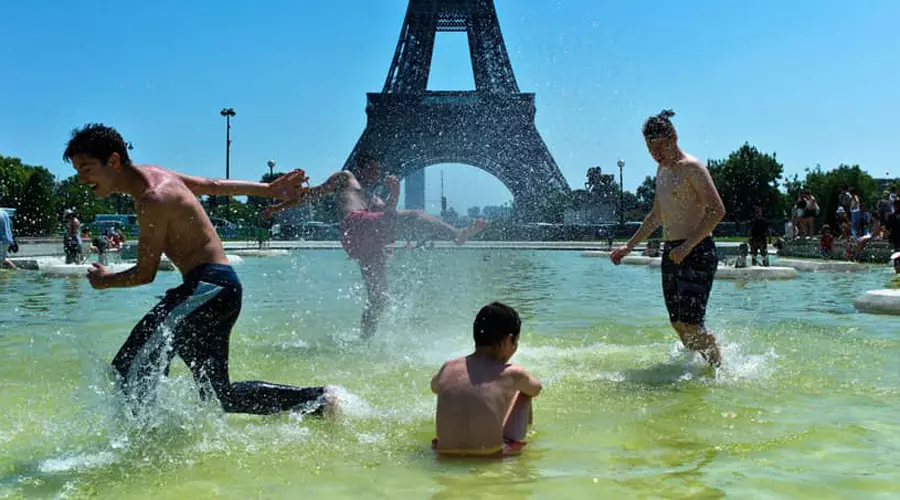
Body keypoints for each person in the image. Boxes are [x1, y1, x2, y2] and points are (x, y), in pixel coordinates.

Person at [63, 123, 337, 417]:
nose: (82, 179)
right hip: (221, 289)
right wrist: (268, 189)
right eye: (78, 170)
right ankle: (323, 402)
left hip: (207, 288)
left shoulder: (152, 199)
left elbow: (145, 273)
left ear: (114, 160)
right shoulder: (159, 175)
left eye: (87, 168)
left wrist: (105, 281)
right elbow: (213, 185)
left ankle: (140, 445)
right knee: (220, 396)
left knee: (129, 364)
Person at [264, 153, 487, 338]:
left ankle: (364, 341)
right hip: (355, 225)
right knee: (415, 215)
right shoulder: (346, 178)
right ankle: (456, 234)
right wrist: (278, 208)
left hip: (369, 242)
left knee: (378, 299)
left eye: (377, 170)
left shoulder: (375, 199)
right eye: (372, 169)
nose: (375, 174)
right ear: (360, 168)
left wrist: (395, 194)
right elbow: (312, 195)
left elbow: (388, 217)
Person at [610, 110, 725, 367]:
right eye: (650, 149)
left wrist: (687, 246)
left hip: (697, 250)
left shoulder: (692, 168)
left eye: (659, 146)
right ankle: (699, 366)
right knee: (677, 324)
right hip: (672, 251)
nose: (656, 154)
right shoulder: (661, 171)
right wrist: (628, 246)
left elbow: (717, 210)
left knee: (691, 324)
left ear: (673, 137)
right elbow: (655, 216)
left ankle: (719, 371)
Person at [430, 302, 540, 458]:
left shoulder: (448, 367)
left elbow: (434, 387)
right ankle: (526, 445)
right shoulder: (513, 373)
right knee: (525, 392)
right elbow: (536, 388)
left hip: (444, 454)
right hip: (491, 456)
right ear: (509, 340)